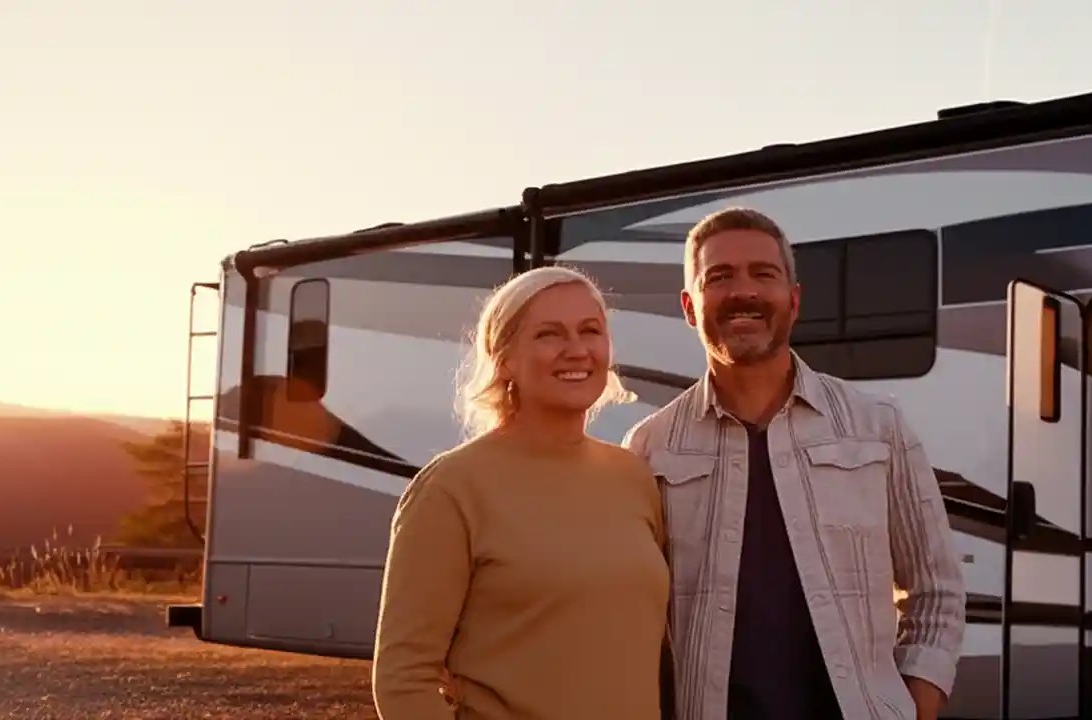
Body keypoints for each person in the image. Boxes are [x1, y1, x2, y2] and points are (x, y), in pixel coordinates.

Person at [623, 207, 966, 720]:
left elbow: (935, 589)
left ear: (795, 300)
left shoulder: (877, 427)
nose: (744, 292)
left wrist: (918, 704)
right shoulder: (650, 448)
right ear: (689, 307)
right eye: (719, 277)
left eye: (764, 274)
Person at [371, 265, 672, 720]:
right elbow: (403, 678)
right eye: (549, 335)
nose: (576, 350)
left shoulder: (632, 476)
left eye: (590, 330)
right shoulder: (452, 488)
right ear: (504, 357)